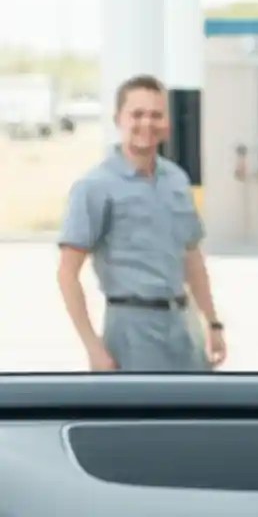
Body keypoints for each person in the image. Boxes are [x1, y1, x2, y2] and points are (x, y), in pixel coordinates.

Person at [56, 74, 227, 372]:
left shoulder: (177, 180)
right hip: (131, 330)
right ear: (118, 119)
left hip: (183, 327)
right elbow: (67, 274)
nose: (147, 123)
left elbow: (192, 259)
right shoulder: (95, 187)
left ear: (167, 122)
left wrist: (212, 323)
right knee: (142, 404)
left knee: (197, 402)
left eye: (156, 115)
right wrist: (94, 348)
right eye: (137, 114)